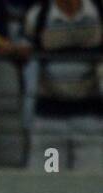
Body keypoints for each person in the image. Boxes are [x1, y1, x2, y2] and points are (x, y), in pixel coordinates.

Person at [18, 0, 103, 170]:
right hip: (49, 124)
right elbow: (23, 47)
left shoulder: (98, 12)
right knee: (48, 180)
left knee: (91, 182)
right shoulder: (38, 16)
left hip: (90, 123)